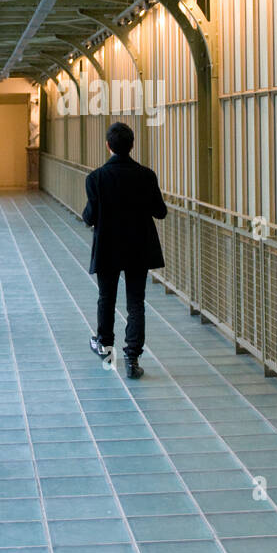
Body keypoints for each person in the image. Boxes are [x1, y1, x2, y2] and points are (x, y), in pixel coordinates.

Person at [82, 121, 167, 380]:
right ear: (132, 146)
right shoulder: (146, 175)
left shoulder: (95, 178)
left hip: (108, 247)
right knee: (135, 303)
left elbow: (90, 216)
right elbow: (160, 212)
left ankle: (106, 349)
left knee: (106, 299)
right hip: (138, 248)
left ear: (108, 146)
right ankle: (132, 358)